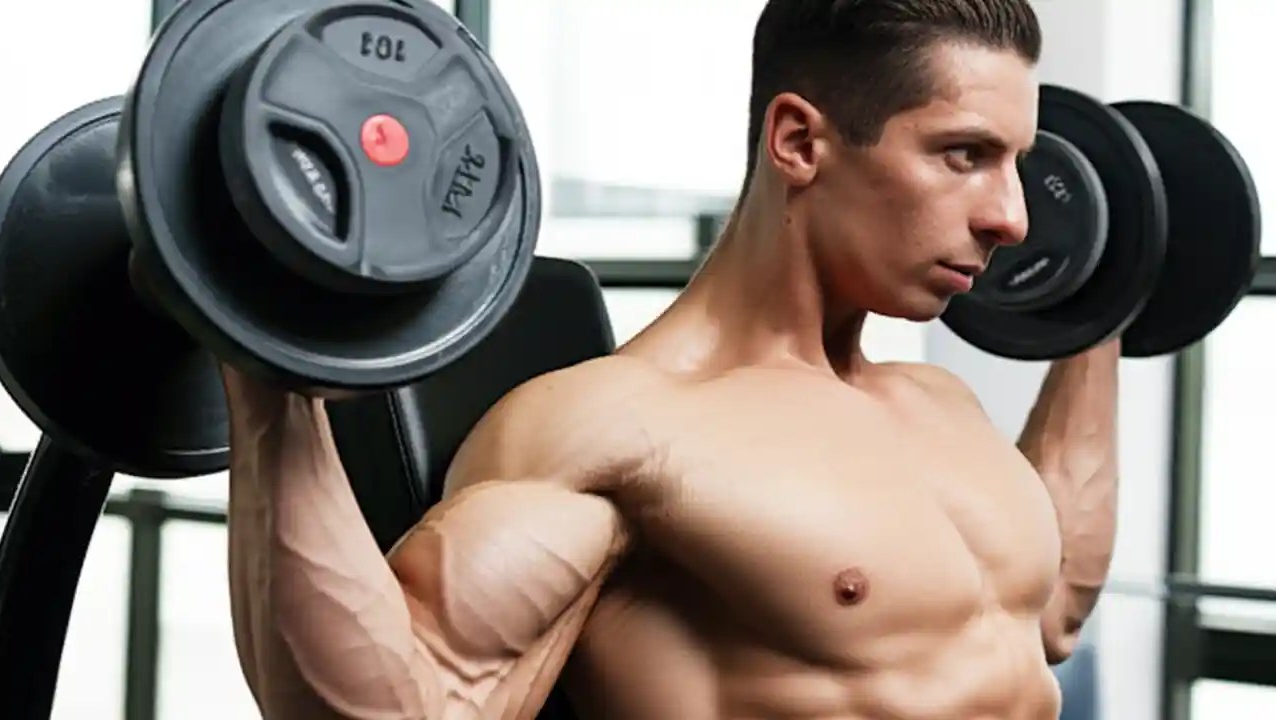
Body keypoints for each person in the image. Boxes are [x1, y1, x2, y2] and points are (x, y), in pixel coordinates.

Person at [220, 1, 1120, 718]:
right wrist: (267, 363)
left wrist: (1105, 305)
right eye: (965, 155)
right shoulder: (618, 431)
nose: (1013, 217)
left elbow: (1049, 620)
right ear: (799, 142)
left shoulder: (941, 402)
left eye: (1017, 164)